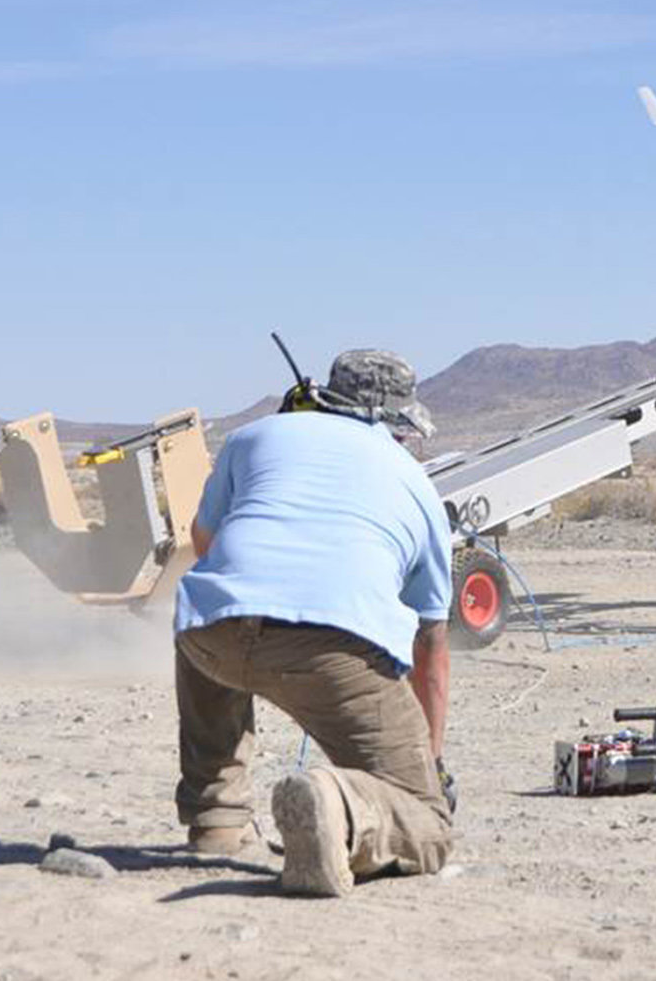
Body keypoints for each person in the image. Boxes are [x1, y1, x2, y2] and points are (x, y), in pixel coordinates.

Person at [172, 348, 456, 897]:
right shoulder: (417, 485)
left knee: (213, 609)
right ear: (397, 422)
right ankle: (337, 808)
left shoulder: (255, 437)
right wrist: (432, 764)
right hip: (329, 649)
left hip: (209, 633)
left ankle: (216, 822)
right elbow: (431, 645)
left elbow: (204, 546)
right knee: (429, 825)